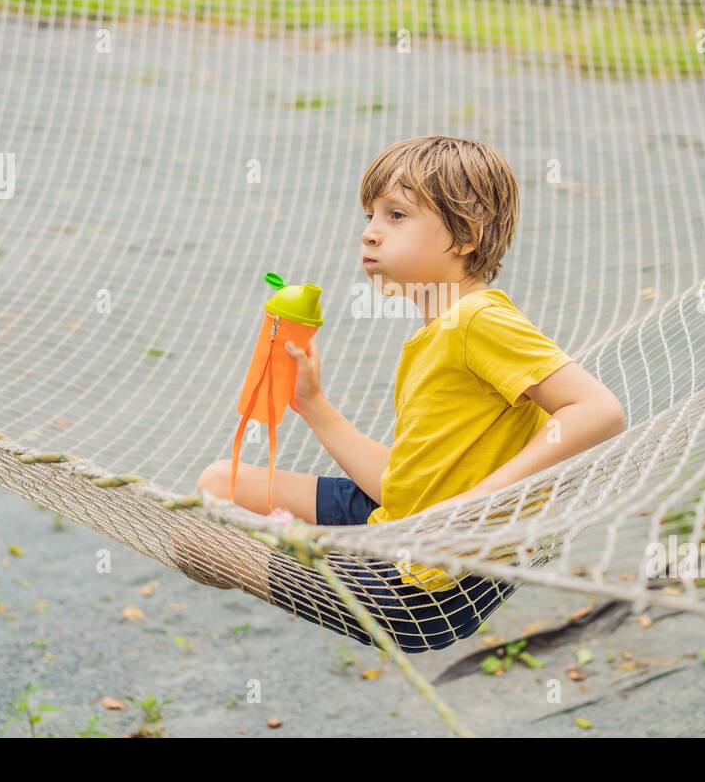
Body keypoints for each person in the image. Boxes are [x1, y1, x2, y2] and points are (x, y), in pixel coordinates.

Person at [182, 135, 626, 652]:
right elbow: (405, 485)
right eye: (370, 215)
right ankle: (322, 555)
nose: (369, 234)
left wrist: (480, 501)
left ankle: (325, 560)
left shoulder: (477, 319)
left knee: (198, 542)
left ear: (467, 236)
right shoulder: (439, 329)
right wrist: (313, 406)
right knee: (220, 483)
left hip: (423, 591)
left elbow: (598, 411)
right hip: (405, 524)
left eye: (395, 216)